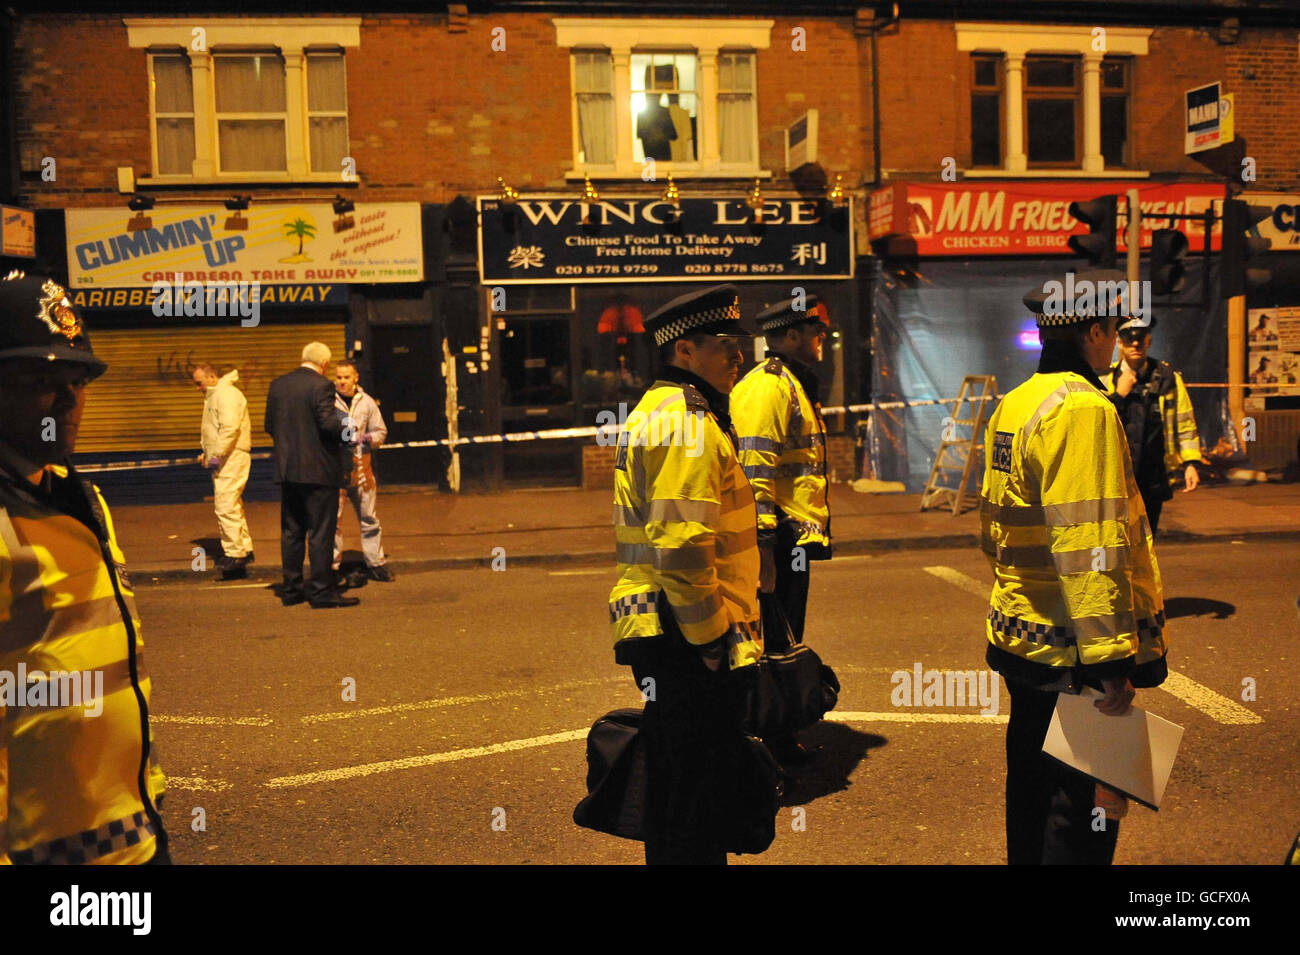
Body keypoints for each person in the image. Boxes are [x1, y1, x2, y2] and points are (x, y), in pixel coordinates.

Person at [980, 268, 1168, 865]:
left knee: (1031, 800)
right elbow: (1092, 551)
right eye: (1113, 329)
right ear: (1096, 331)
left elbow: (995, 532)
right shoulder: (1084, 409)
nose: (1117, 340)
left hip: (1023, 637)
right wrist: (1113, 660)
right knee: (1079, 816)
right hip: (1074, 653)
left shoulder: (1016, 403)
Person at [0, 271, 169, 864]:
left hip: (132, 832)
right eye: (45, 381)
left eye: (78, 379)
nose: (70, 399)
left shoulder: (81, 500)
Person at [608, 283, 764, 865]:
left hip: (660, 625)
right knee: (696, 793)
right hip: (685, 633)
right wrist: (712, 641)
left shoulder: (661, 410)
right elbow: (682, 546)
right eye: (726, 345)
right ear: (686, 352)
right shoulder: (686, 425)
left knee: (676, 785)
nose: (738, 357)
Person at [731, 292, 832, 766]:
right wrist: (764, 546)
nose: (822, 340)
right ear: (791, 336)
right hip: (778, 535)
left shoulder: (790, 383)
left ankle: (779, 733)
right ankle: (765, 743)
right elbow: (756, 468)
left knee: (783, 636)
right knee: (770, 640)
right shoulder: (769, 387)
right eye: (815, 333)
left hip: (793, 534)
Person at [265, 342, 357, 609]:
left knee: (292, 532)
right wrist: (348, 428)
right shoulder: (321, 386)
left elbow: (270, 425)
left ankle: (292, 590)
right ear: (325, 364)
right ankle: (320, 591)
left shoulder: (278, 385)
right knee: (320, 533)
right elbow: (329, 424)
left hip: (288, 472)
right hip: (318, 472)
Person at [1102, 317, 1202, 535]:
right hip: (1118, 476)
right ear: (1120, 343)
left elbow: (1184, 423)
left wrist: (1191, 463)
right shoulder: (1107, 379)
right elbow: (1098, 426)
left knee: (1148, 538)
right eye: (1129, 340)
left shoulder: (1168, 379)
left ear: (1148, 341)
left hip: (1154, 475)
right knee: (1120, 540)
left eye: (1140, 339)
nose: (1135, 344)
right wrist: (1119, 395)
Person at [332, 359, 393, 583]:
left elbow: (381, 431)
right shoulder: (328, 402)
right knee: (332, 522)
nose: (342, 382)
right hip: (336, 472)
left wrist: (370, 439)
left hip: (361, 471)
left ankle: (375, 563)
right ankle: (333, 566)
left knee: (369, 518)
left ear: (355, 377)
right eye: (338, 377)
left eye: (346, 377)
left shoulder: (366, 403)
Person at [192, 363, 254, 579]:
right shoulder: (220, 395)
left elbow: (229, 428)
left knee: (225, 505)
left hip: (231, 457)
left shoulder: (225, 395)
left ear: (211, 377)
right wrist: (209, 454)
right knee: (233, 505)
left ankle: (235, 555)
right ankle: (243, 549)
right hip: (230, 455)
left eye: (199, 383)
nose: (197, 388)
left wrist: (216, 456)